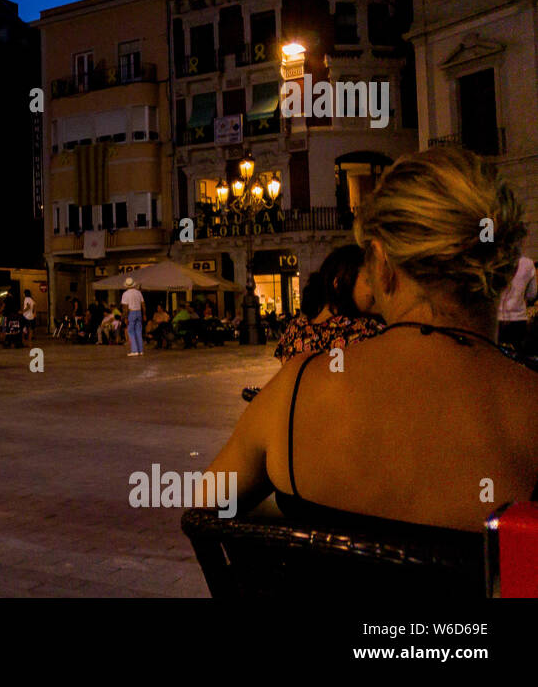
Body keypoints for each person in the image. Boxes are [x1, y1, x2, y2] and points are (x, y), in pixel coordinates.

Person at [209, 147, 538, 532]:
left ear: (383, 265)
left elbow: (207, 505)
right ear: (510, 267)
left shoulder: (297, 388)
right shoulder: (528, 406)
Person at [273, 244, 385, 364]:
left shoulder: (294, 331)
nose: (376, 289)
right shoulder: (367, 333)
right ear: (339, 283)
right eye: (369, 281)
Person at [497, 255, 536, 354]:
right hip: (518, 320)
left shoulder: (492, 260)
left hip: (494, 319)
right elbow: (532, 294)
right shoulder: (528, 263)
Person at [121, 277, 145, 356]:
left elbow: (125, 308)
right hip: (139, 312)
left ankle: (134, 350)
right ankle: (140, 350)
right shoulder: (138, 292)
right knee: (138, 331)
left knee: (131, 331)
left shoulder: (125, 294)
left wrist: (125, 317)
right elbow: (143, 304)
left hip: (131, 312)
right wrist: (144, 314)